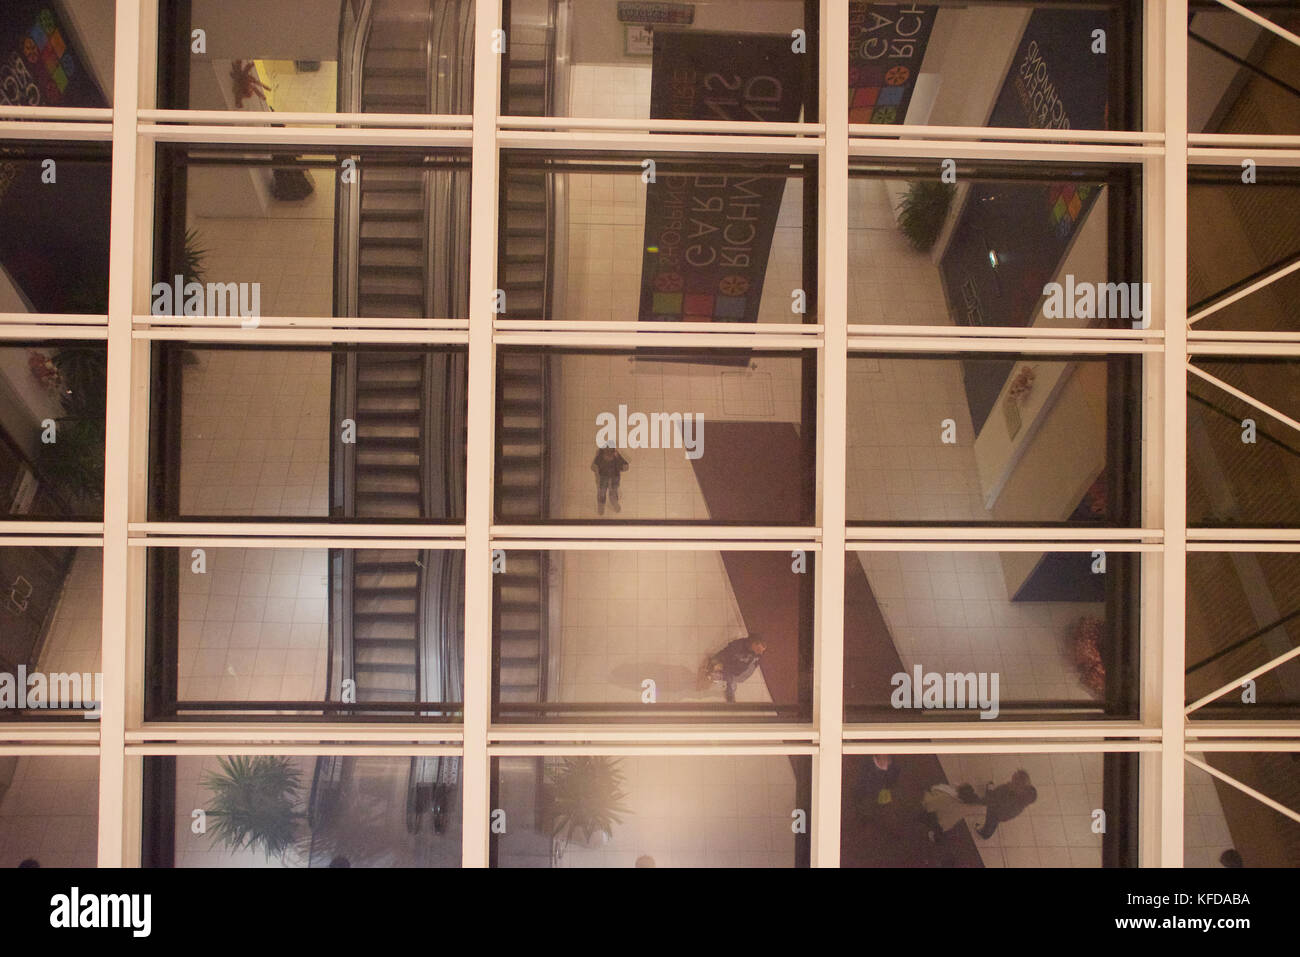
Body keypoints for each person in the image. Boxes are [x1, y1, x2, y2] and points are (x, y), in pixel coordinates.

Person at [922, 769, 1037, 842]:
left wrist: (979, 798)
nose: (1011, 778)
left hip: (997, 812)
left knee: (991, 821)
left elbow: (988, 801)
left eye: (1014, 778)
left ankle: (985, 833)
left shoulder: (1006, 797)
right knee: (991, 817)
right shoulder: (1015, 795)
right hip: (999, 809)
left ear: (1017, 786)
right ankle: (986, 831)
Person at [704, 635, 767, 702]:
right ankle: (714, 676)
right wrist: (714, 661)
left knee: (733, 680)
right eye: (758, 650)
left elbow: (751, 665)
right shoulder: (738, 645)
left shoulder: (755, 654)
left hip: (737, 671)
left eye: (762, 651)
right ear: (754, 644)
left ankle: (720, 678)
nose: (760, 653)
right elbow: (725, 653)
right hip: (728, 667)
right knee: (729, 679)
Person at [591, 443, 629, 515]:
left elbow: (625, 466)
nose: (609, 452)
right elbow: (593, 467)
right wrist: (598, 471)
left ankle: (614, 503)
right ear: (604, 450)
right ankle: (601, 507)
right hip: (603, 478)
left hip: (614, 478)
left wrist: (618, 459)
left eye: (611, 449)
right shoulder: (600, 456)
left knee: (613, 493)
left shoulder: (616, 455)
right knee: (602, 493)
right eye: (607, 449)